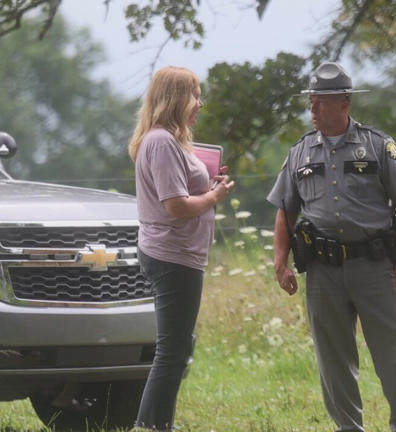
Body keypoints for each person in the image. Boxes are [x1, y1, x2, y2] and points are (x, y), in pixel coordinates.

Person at [267, 61, 396, 432]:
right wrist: (280, 263)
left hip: (374, 267)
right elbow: (285, 210)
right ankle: (347, 427)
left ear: (343, 102)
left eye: (319, 102)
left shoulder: (377, 145)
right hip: (323, 271)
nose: (313, 110)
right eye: (310, 102)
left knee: (394, 351)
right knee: (333, 357)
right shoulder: (299, 153)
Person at [129, 66, 235, 431]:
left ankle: (158, 424)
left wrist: (208, 185)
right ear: (176, 99)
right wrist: (214, 195)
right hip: (173, 255)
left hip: (179, 255)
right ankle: (150, 426)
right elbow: (175, 206)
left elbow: (183, 192)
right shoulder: (161, 142)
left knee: (176, 350)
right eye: (195, 95)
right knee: (172, 352)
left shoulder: (167, 141)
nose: (200, 104)